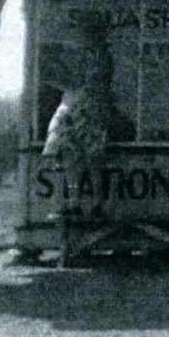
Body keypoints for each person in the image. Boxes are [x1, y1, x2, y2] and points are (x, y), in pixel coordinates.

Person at [41, 21, 121, 218]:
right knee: (75, 160)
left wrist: (56, 75)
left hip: (87, 110)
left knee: (89, 161)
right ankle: (79, 202)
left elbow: (82, 82)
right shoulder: (90, 56)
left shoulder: (97, 58)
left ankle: (92, 203)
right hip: (77, 109)